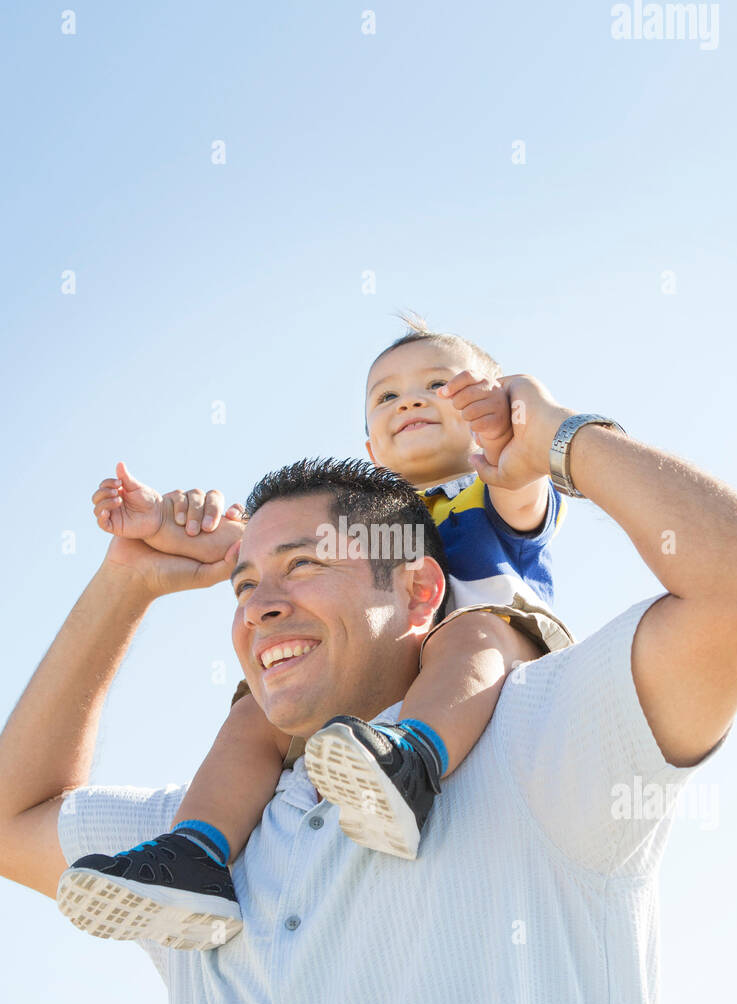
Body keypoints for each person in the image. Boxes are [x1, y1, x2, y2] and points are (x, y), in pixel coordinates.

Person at [0, 368, 737, 1004]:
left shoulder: (541, 743)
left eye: (304, 565)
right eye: (244, 586)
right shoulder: (200, 836)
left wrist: (560, 438)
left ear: (418, 592)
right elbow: (4, 825)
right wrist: (129, 582)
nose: (260, 605)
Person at [56, 322, 581, 949]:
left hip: (503, 649)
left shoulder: (495, 489)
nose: (409, 401)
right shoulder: (372, 519)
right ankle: (196, 852)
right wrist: (169, 527)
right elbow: (269, 550)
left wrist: (515, 434)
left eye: (437, 384)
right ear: (371, 447)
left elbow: (523, 482)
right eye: (386, 397)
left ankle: (412, 765)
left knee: (470, 633)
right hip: (399, 662)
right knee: (254, 712)